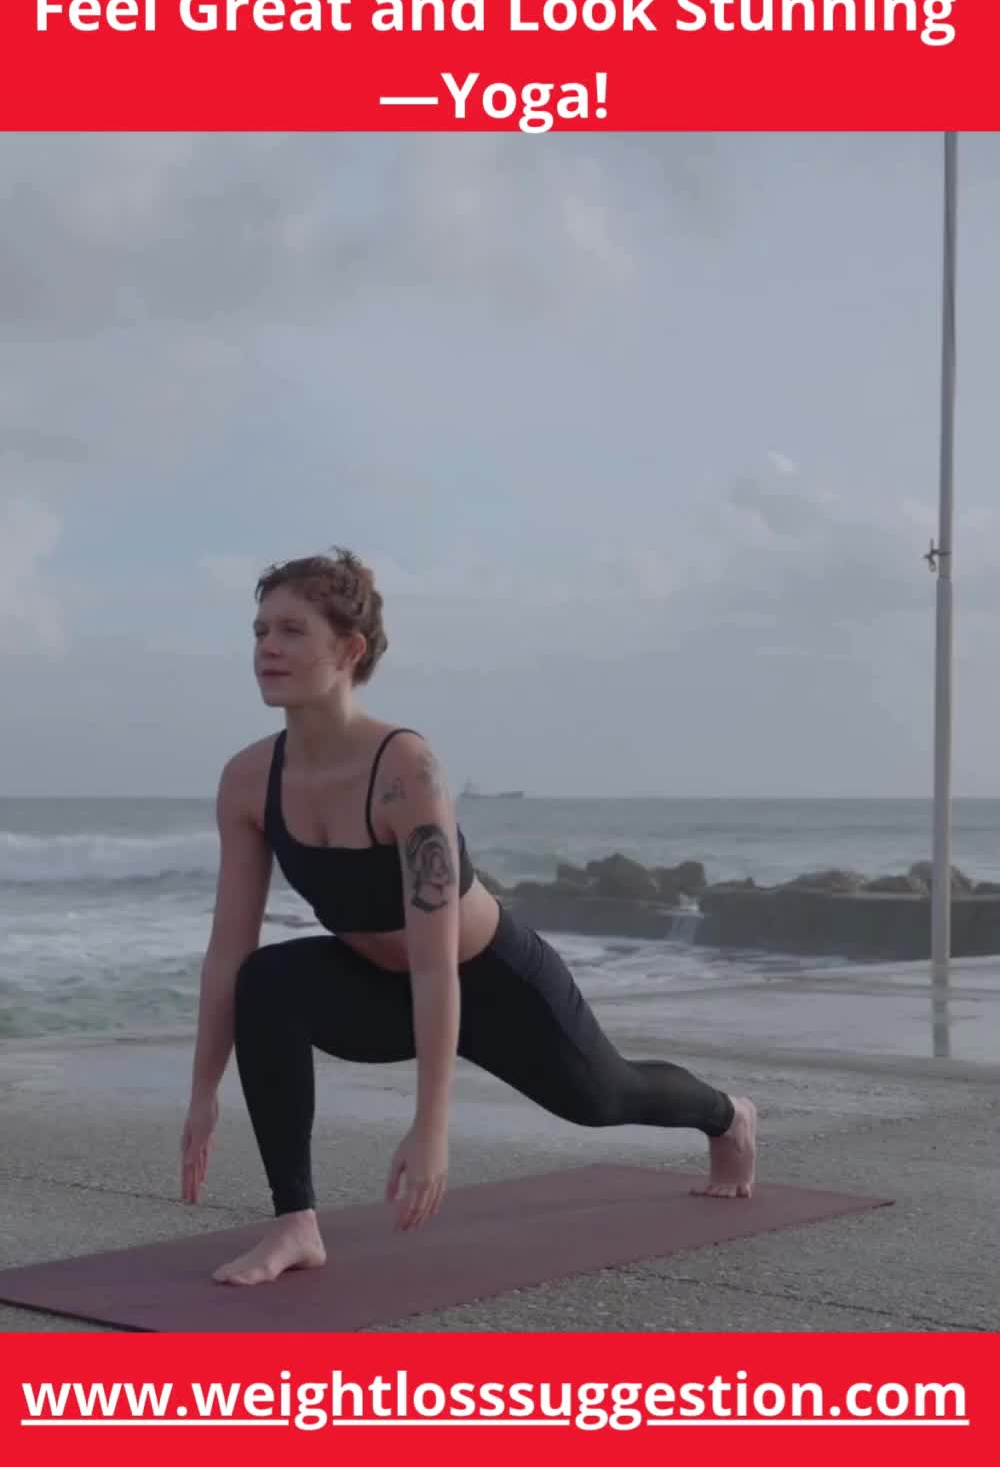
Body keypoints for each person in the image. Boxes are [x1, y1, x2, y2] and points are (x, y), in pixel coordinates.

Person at [180, 548, 757, 1287]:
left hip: (488, 979)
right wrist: (203, 1094)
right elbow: (228, 952)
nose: (266, 647)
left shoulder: (405, 770)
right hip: (377, 987)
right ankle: (295, 1224)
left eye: (291, 630)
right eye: (259, 630)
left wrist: (431, 1128)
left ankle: (727, 1115)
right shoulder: (247, 780)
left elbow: (434, 959)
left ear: (349, 650)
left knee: (603, 1096)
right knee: (267, 980)